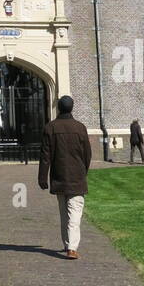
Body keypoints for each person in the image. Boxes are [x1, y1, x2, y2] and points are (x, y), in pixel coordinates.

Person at [38, 95, 92, 260]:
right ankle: (72, 247)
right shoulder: (80, 128)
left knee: (64, 212)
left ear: (59, 108)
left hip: (59, 175)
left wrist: (42, 177)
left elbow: (45, 155)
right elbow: (87, 154)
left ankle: (68, 243)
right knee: (75, 212)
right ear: (72, 107)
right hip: (77, 176)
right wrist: (84, 170)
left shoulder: (51, 127)